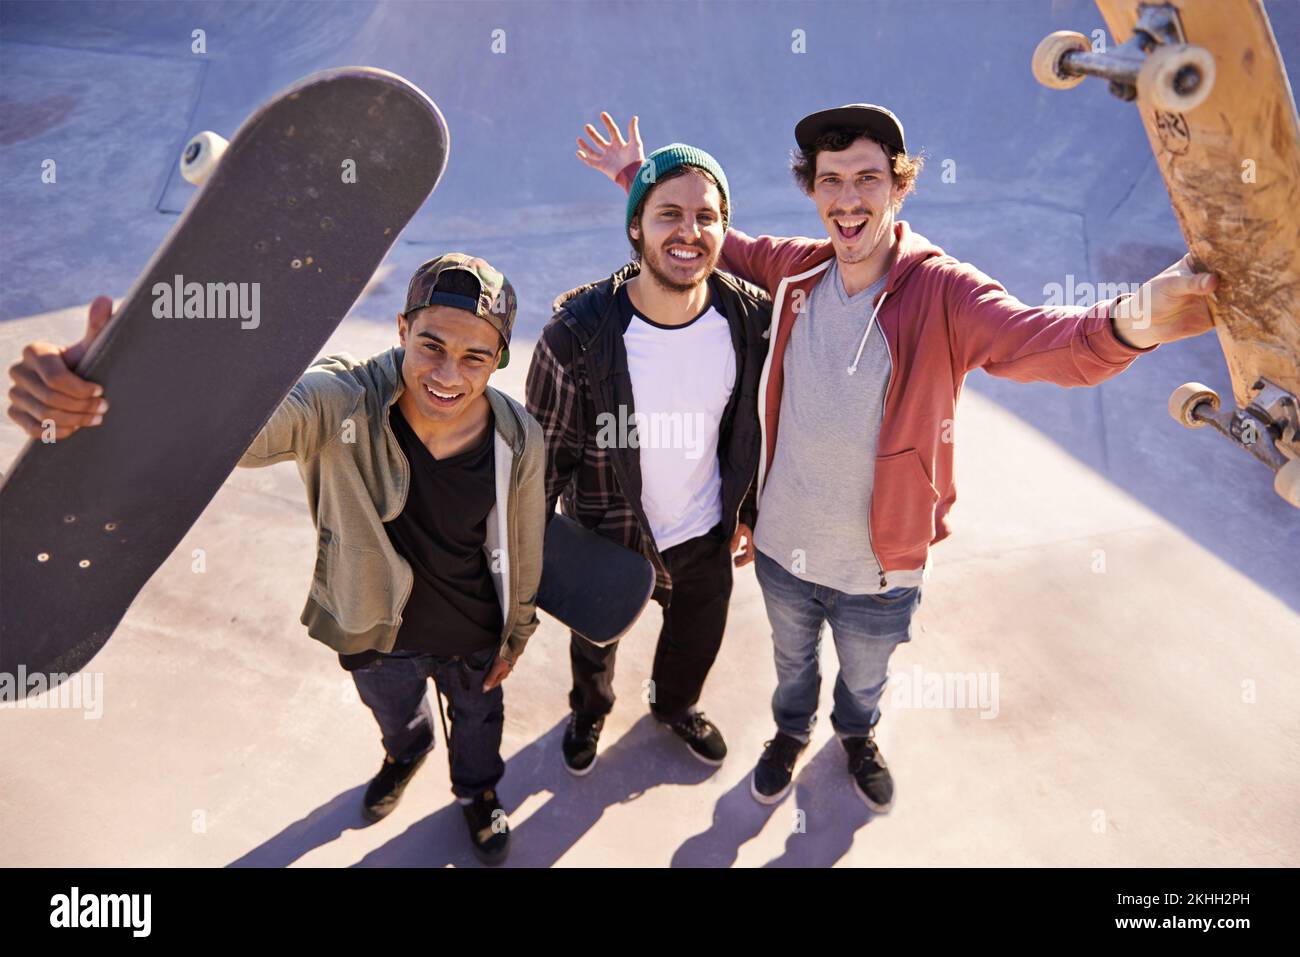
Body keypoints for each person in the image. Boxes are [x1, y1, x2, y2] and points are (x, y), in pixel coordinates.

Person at [575, 107, 1217, 811]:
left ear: (899, 187)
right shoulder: (797, 269)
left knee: (863, 676)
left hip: (883, 568)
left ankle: (856, 737)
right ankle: (790, 735)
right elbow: (713, 238)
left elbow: (1046, 343)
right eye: (832, 181)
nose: (848, 199)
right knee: (793, 670)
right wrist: (637, 176)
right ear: (814, 191)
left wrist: (1138, 318)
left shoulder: (944, 292)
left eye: (867, 180)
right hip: (784, 553)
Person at [5, 254, 546, 864]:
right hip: (372, 630)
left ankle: (478, 792)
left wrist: (517, 631)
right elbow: (241, 427)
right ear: (401, 329)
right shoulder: (341, 402)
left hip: (474, 632)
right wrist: (128, 389)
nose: (448, 372)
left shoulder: (518, 436)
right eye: (431, 345)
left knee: (478, 722)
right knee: (397, 719)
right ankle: (406, 753)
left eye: (475, 355)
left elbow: (524, 542)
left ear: (499, 357)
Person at [525, 144, 770, 774]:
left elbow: (754, 430)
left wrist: (749, 511)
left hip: (704, 534)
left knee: (695, 641)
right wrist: (528, 559)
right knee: (594, 642)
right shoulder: (576, 336)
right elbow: (545, 460)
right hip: (608, 534)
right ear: (636, 226)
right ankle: (589, 710)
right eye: (668, 215)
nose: (688, 232)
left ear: (724, 228)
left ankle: (674, 707)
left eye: (706, 216)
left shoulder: (749, 321)